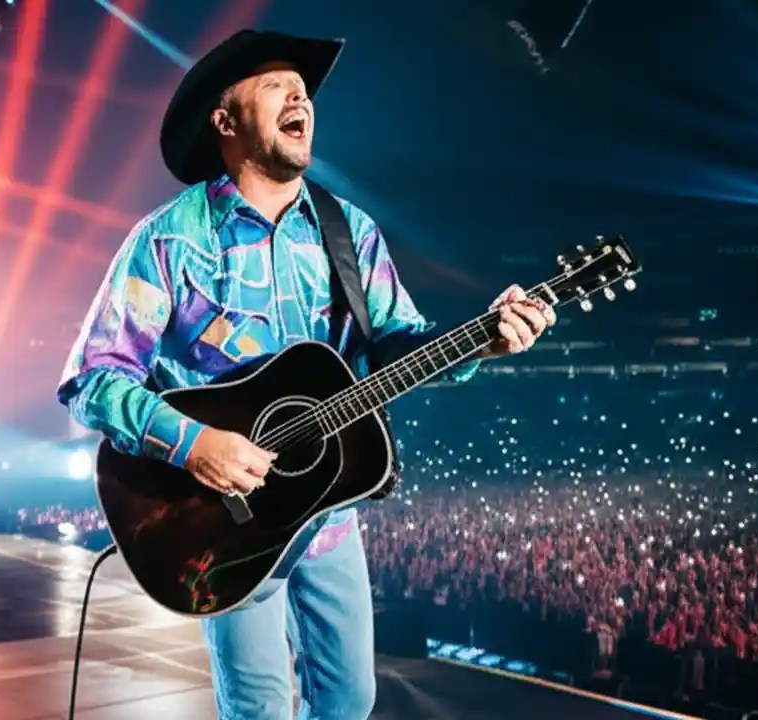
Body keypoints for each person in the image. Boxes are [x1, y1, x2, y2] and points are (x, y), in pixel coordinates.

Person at [57, 29, 554, 720]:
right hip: (224, 523)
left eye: (303, 90)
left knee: (350, 700)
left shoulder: (349, 231)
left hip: (326, 513)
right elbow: (93, 379)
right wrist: (195, 444)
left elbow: (400, 345)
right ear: (225, 121)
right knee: (260, 708)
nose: (300, 98)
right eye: (274, 86)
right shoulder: (169, 240)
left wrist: (481, 343)